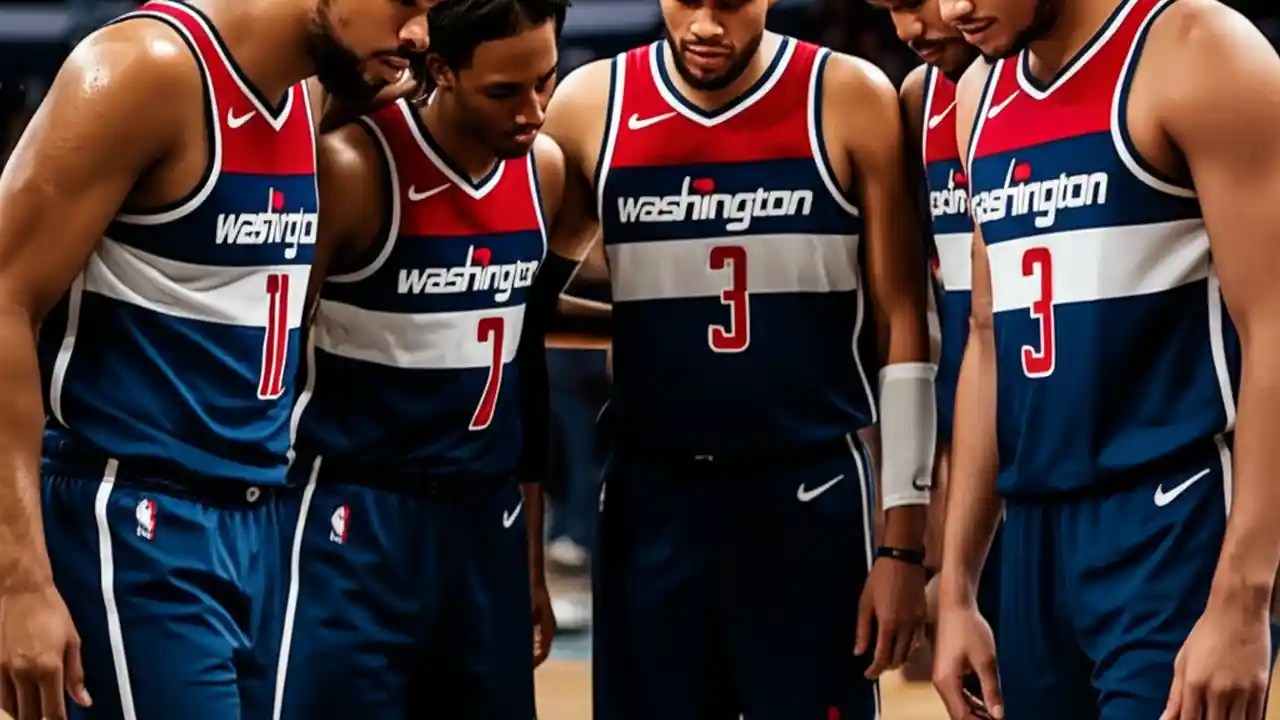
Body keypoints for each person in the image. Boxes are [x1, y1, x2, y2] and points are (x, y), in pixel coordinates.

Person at [0, 0, 431, 718]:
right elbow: (4, 297)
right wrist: (17, 580)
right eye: (408, 4)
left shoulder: (306, 90)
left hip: (258, 523)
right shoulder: (145, 70)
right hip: (136, 521)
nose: (418, 35)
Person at [543, 0, 937, 715]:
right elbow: (527, 306)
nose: (703, 25)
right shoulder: (589, 104)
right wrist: (655, 325)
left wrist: (903, 544)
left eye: (727, 3)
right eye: (686, 0)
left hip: (809, 489)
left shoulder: (849, 96)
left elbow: (902, 325)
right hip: (651, 493)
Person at [931, 0, 1280, 718]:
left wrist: (1245, 597)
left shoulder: (1194, 47)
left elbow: (1275, 324)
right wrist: (960, 586)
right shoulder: (977, 95)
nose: (951, 8)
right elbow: (988, 341)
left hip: (1167, 520)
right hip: (1032, 537)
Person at [272, 0, 571, 717]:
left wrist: (529, 558)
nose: (531, 111)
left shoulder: (545, 173)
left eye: (546, 82)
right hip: (353, 518)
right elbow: (267, 356)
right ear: (441, 69)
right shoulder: (352, 165)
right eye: (505, 92)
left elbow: (525, 370)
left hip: (485, 522)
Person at [866, 0, 1002, 698]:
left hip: (1134, 476)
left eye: (918, 1)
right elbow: (952, 336)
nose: (913, 27)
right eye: (892, 8)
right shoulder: (920, 99)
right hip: (991, 472)